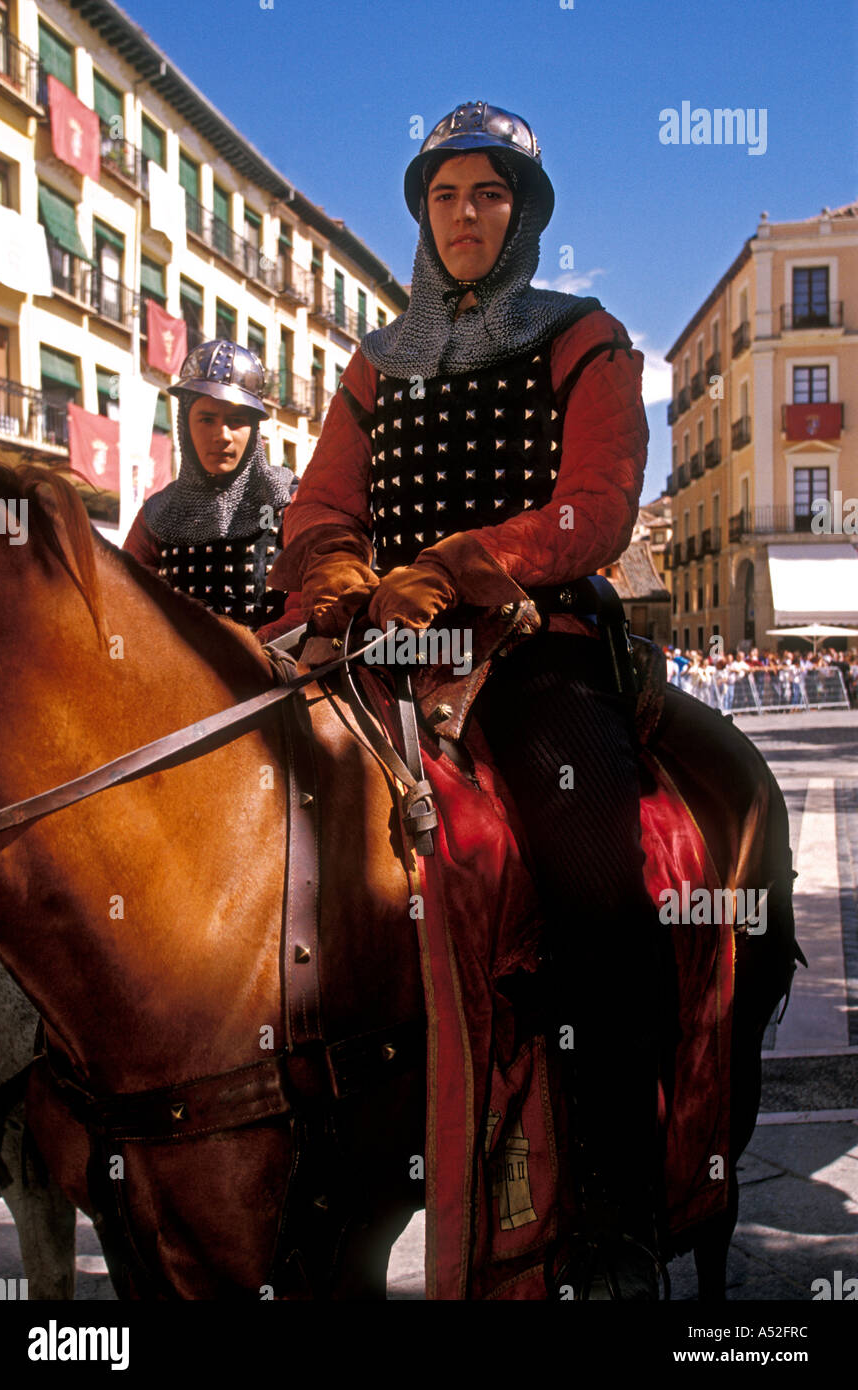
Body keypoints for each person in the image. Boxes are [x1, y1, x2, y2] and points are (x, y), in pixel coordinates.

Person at [269, 102, 665, 1296]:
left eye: (488, 193)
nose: (464, 214)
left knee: (593, 874)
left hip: (531, 647)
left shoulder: (584, 335)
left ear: (522, 213)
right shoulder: (373, 361)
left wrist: (454, 565)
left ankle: (619, 1198)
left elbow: (595, 505)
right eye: (444, 195)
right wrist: (343, 579)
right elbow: (321, 506)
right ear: (422, 215)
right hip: (381, 645)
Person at [123, 339, 292, 630]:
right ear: (185, 424)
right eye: (206, 419)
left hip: (278, 659)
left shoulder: (288, 501)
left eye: (236, 420)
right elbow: (128, 603)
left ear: (253, 428)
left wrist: (262, 650)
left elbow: (314, 600)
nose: (222, 435)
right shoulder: (158, 515)